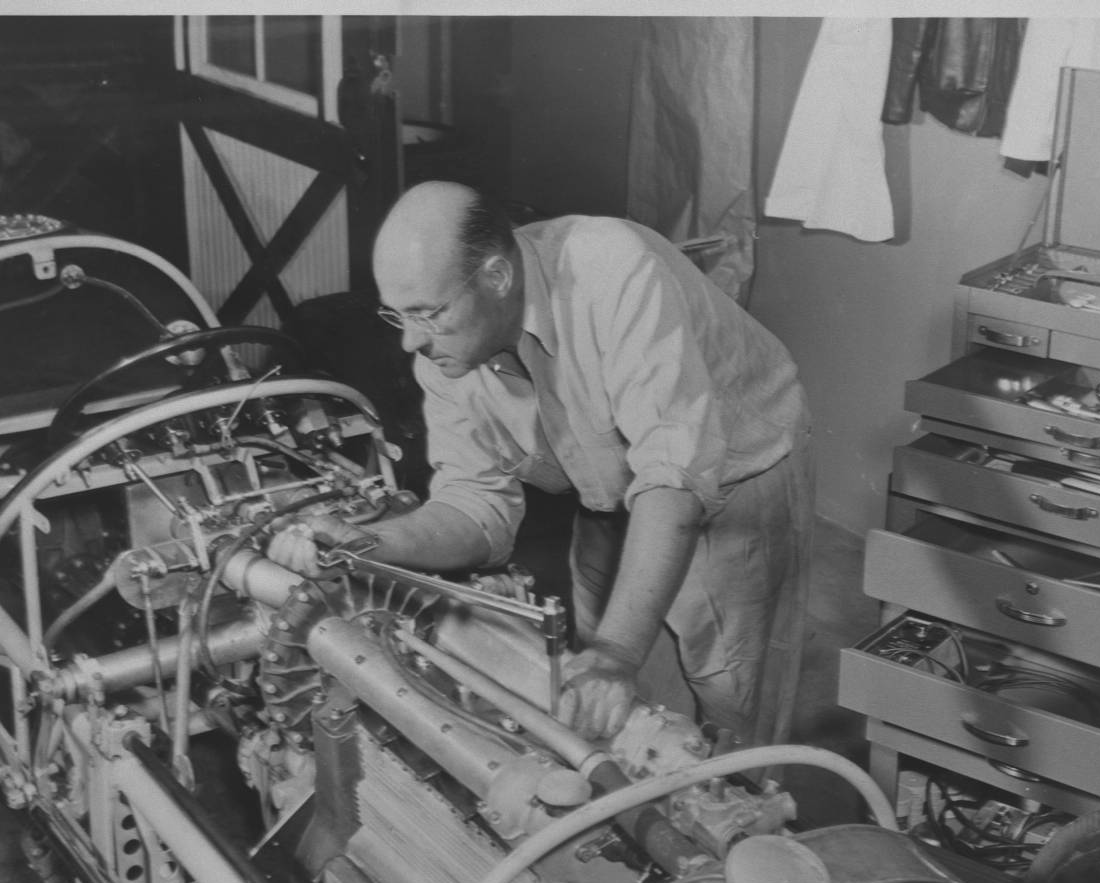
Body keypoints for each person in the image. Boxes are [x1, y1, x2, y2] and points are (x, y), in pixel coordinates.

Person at [271, 181, 813, 750]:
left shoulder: (614, 269)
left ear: (498, 277)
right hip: (604, 488)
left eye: (427, 314)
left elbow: (673, 477)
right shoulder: (449, 347)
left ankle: (739, 803)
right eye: (397, 315)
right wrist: (362, 541)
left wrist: (618, 653)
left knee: (724, 691)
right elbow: (475, 509)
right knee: (600, 703)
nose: (410, 341)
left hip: (732, 475)